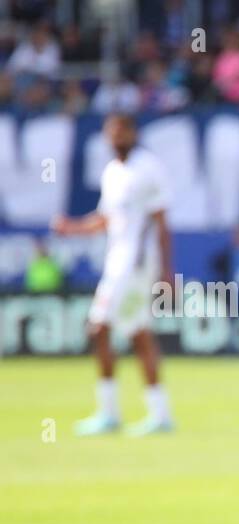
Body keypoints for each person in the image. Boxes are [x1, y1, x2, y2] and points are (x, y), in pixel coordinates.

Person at [53, 113, 175, 436]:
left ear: (132, 132)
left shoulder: (148, 166)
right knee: (137, 334)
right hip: (117, 260)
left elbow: (162, 222)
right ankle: (159, 413)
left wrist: (167, 272)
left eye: (120, 131)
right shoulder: (112, 172)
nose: (115, 138)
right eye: (111, 133)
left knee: (98, 327)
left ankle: (109, 412)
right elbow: (107, 219)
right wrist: (73, 227)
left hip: (135, 263)